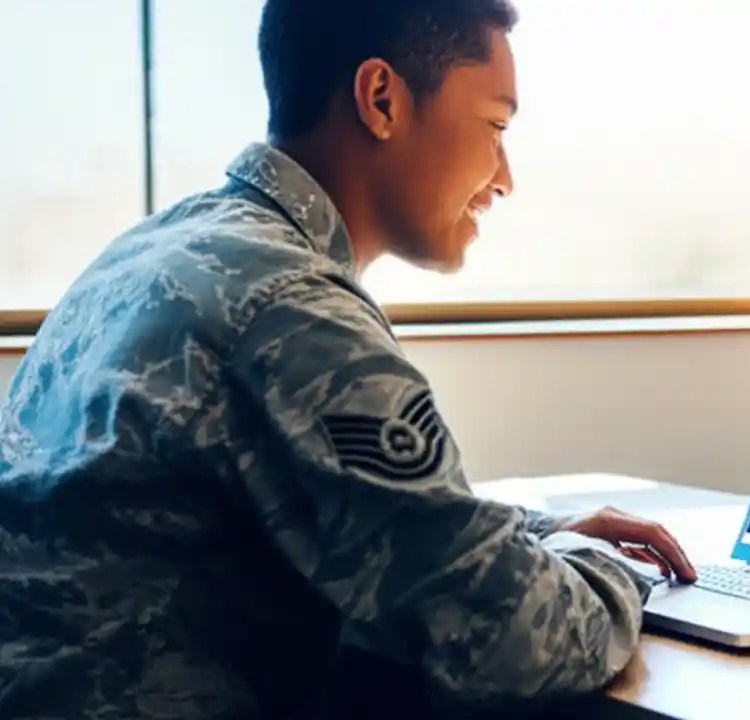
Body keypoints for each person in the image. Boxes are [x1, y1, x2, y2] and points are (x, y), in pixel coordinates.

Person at [0, 1, 697, 717]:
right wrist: (614, 570)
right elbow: (508, 638)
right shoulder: (294, 312)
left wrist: (533, 536)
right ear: (382, 99)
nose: (505, 176)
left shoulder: (159, 250)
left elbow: (359, 515)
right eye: (495, 125)